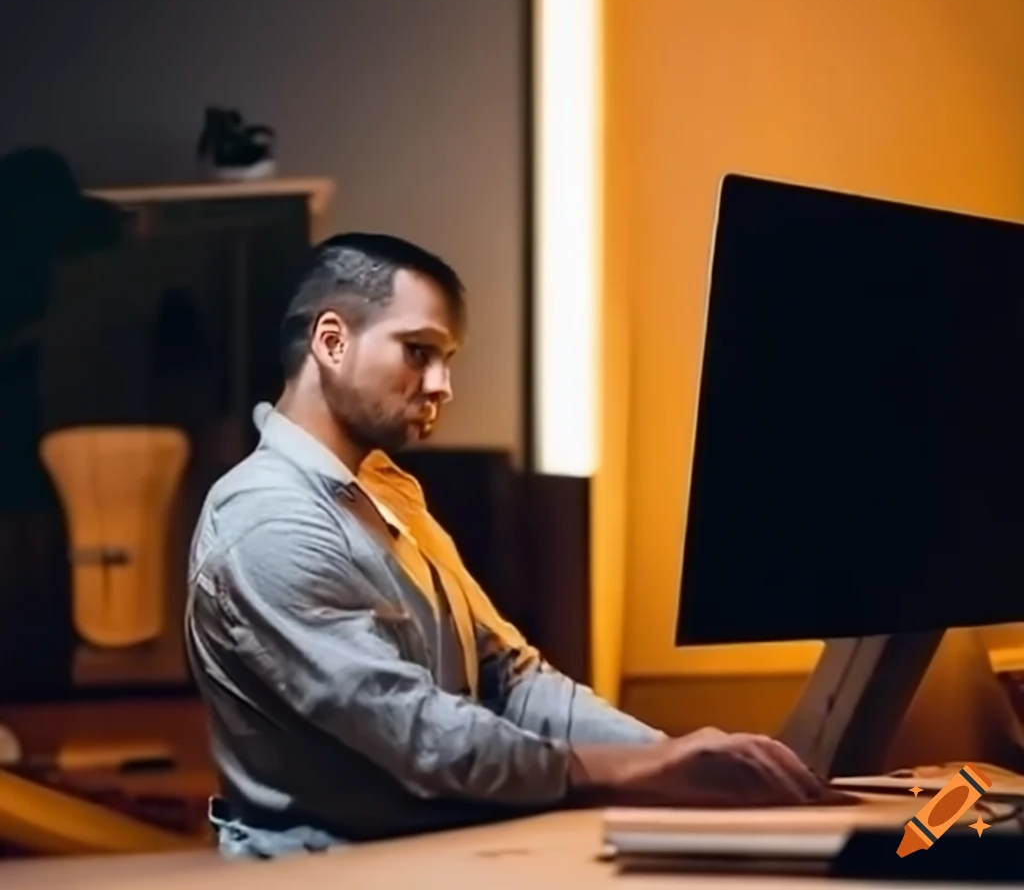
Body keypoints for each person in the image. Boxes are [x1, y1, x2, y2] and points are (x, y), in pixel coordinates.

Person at [185, 233, 841, 860]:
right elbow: (421, 738)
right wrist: (648, 769)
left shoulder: (388, 489)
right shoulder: (268, 520)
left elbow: (511, 677)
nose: (442, 385)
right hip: (326, 873)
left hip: (440, 852)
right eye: (419, 351)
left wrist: (681, 758)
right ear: (332, 342)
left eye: (447, 361)